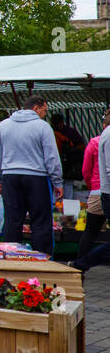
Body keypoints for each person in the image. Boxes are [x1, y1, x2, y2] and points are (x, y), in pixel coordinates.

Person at [0, 95, 62, 255]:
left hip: (10, 177)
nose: (45, 114)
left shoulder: (4, 125)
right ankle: (41, 258)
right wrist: (57, 181)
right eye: (44, 110)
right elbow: (52, 157)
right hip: (37, 177)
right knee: (40, 221)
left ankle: (10, 256)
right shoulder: (42, 127)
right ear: (36, 107)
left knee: (12, 220)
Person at [73, 109, 110, 272]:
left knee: (90, 232)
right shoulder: (105, 138)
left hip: (96, 190)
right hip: (104, 190)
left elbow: (86, 170)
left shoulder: (95, 141)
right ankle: (81, 264)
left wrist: (90, 185)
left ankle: (80, 266)